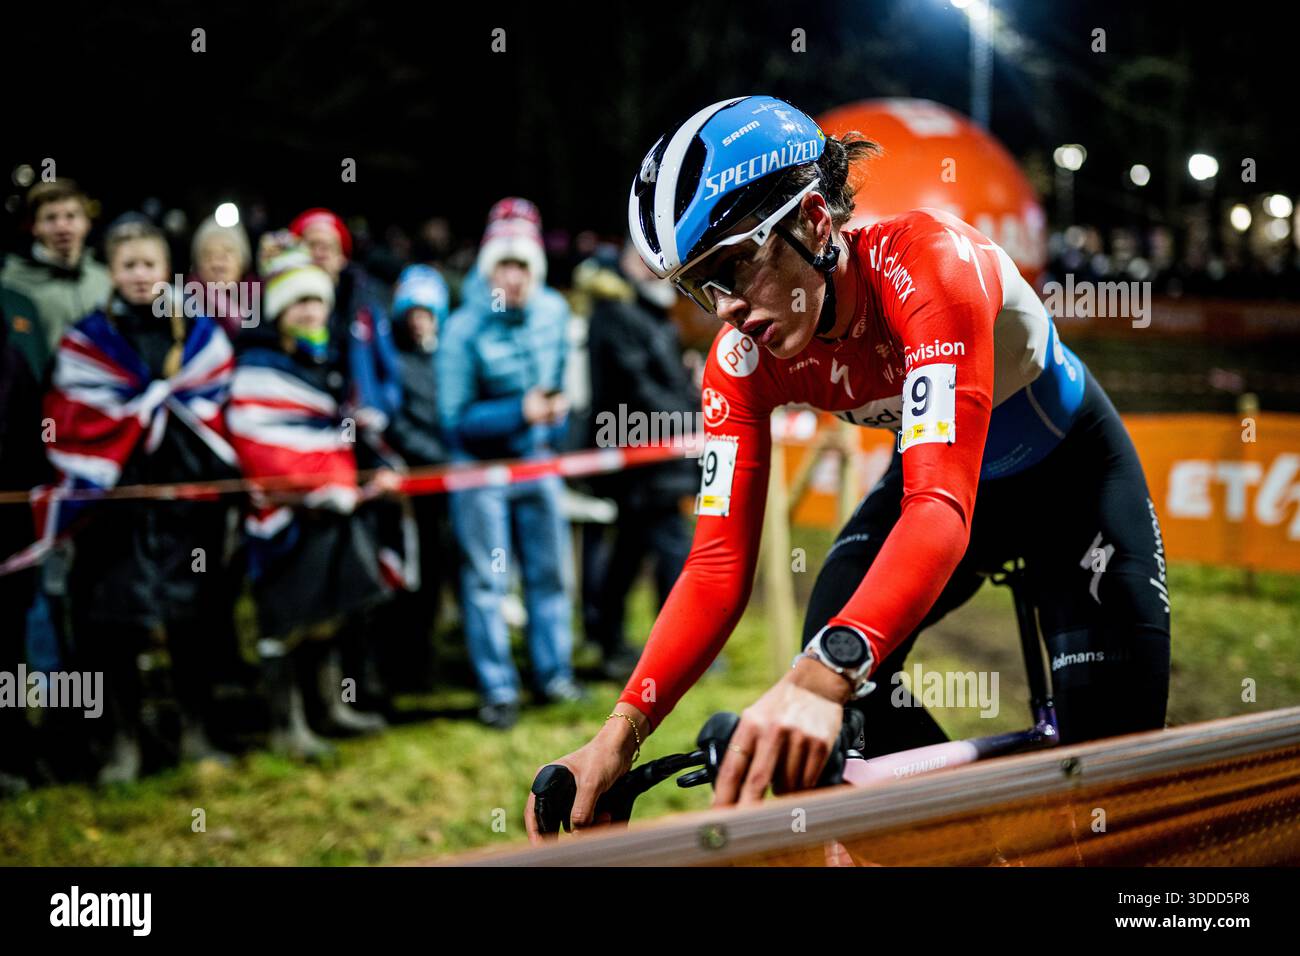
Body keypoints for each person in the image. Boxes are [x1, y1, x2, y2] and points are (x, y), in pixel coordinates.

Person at [526, 95, 1171, 839]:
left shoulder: (930, 264)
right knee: (837, 676)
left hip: (1071, 483)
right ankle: (965, 850)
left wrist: (817, 677)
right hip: (943, 484)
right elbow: (714, 565)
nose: (725, 309)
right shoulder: (742, 362)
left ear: (815, 223)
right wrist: (618, 735)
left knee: (1120, 802)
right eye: (700, 286)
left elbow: (937, 511)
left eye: (734, 266)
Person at [45, 215, 240, 784]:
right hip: (116, 516)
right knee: (113, 632)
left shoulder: (199, 336)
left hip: (186, 513)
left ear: (167, 269)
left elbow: (215, 413)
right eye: (127, 265)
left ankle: (196, 735)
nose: (139, 275)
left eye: (149, 264)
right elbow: (73, 418)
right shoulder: (88, 341)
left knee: (193, 625)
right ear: (111, 269)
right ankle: (121, 746)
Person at [226, 240, 410, 760]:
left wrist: (370, 473)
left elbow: (333, 431)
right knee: (283, 623)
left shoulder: (324, 361)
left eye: (318, 303)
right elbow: (261, 440)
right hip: (281, 520)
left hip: (331, 514)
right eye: (300, 303)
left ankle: (329, 707)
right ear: (280, 309)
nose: (311, 311)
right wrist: (317, 486)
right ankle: (288, 726)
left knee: (327, 613)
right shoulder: (259, 365)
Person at [437, 198, 584, 729]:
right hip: (479, 470)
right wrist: (517, 411)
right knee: (487, 583)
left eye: (523, 264)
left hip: (536, 462)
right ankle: (498, 690)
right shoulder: (461, 328)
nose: (514, 276)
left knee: (550, 573)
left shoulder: (554, 312)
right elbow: (452, 421)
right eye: (504, 264)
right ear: (487, 267)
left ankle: (554, 675)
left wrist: (553, 414)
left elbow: (562, 378)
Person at [576, 243, 699, 679]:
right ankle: (677, 652)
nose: (655, 271)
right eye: (644, 262)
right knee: (670, 550)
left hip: (656, 455)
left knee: (630, 549)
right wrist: (692, 420)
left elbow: (664, 379)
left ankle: (609, 640)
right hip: (639, 455)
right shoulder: (616, 314)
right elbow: (637, 389)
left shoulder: (647, 311)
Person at [1, 179, 112, 376]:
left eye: (71, 216)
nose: (62, 227)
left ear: (87, 223)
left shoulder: (105, 279)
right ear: (35, 227)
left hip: (102, 396)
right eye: (50, 218)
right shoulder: (12, 284)